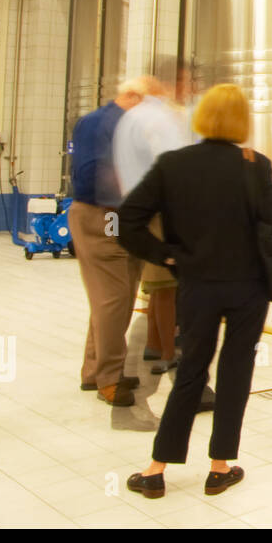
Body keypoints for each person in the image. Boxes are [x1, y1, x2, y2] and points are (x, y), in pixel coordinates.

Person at [117, 84, 272, 498]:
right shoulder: (255, 165)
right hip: (249, 287)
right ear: (241, 122)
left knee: (191, 370)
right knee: (236, 371)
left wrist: (167, 255)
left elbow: (127, 221)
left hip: (196, 285)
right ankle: (220, 466)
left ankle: (157, 469)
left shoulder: (173, 165)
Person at [69, 78, 146, 407]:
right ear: (131, 96)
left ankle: (95, 370)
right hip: (104, 216)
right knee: (113, 298)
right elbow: (91, 176)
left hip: (121, 217)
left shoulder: (124, 126)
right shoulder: (100, 122)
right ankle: (110, 379)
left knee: (116, 296)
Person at [112, 76, 191, 373]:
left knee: (156, 288)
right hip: (157, 213)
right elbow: (171, 162)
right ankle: (167, 353)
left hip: (135, 210)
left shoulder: (129, 120)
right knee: (166, 288)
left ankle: (154, 345)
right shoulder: (155, 118)